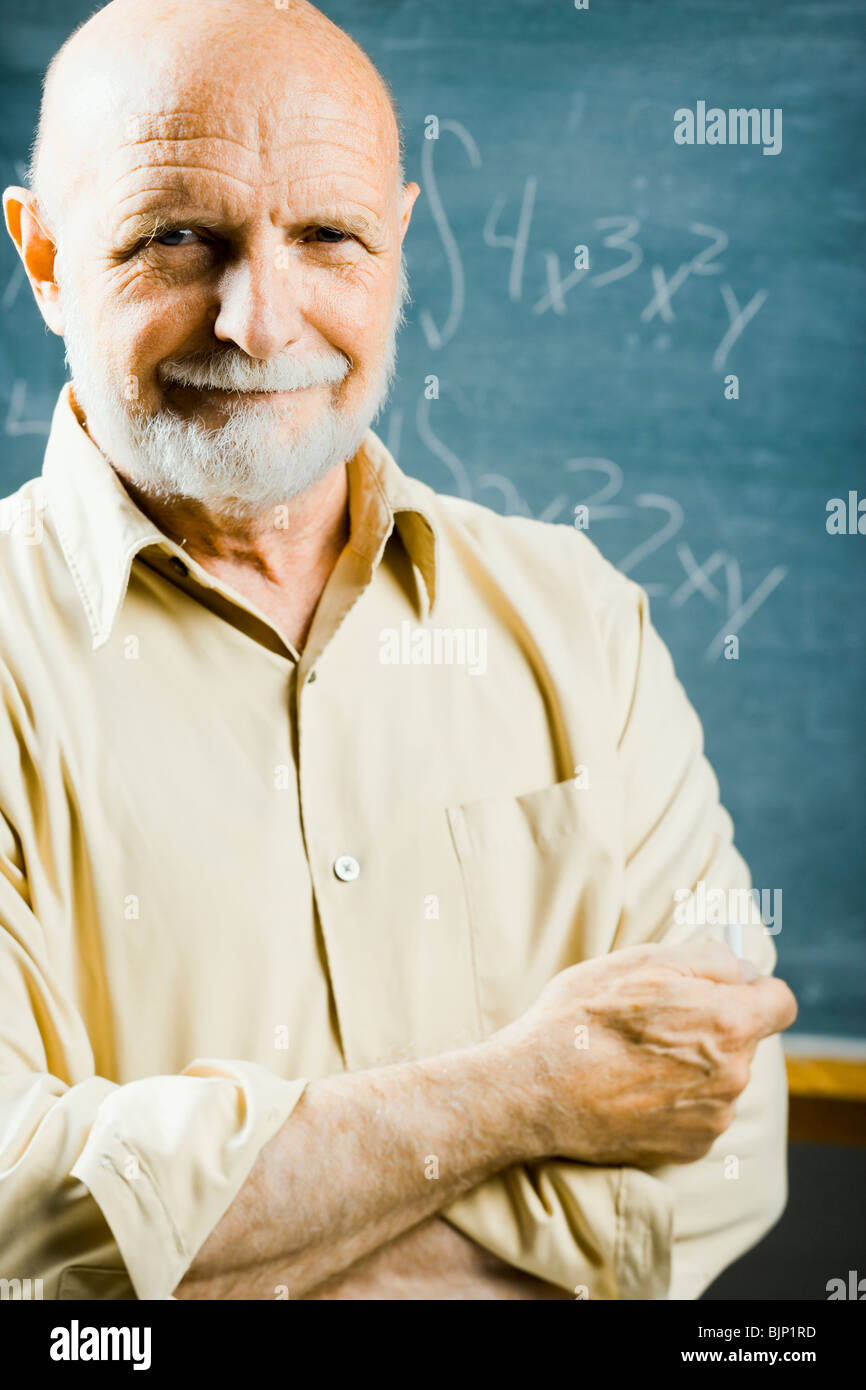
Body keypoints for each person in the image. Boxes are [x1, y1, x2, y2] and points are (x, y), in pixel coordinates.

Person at [0, 0, 796, 1301]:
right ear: (41, 257)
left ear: (401, 240)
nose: (262, 320)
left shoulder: (575, 618)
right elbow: (16, 1216)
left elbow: (731, 1119)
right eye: (178, 237)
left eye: (328, 235)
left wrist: (227, 1257)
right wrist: (521, 1094)